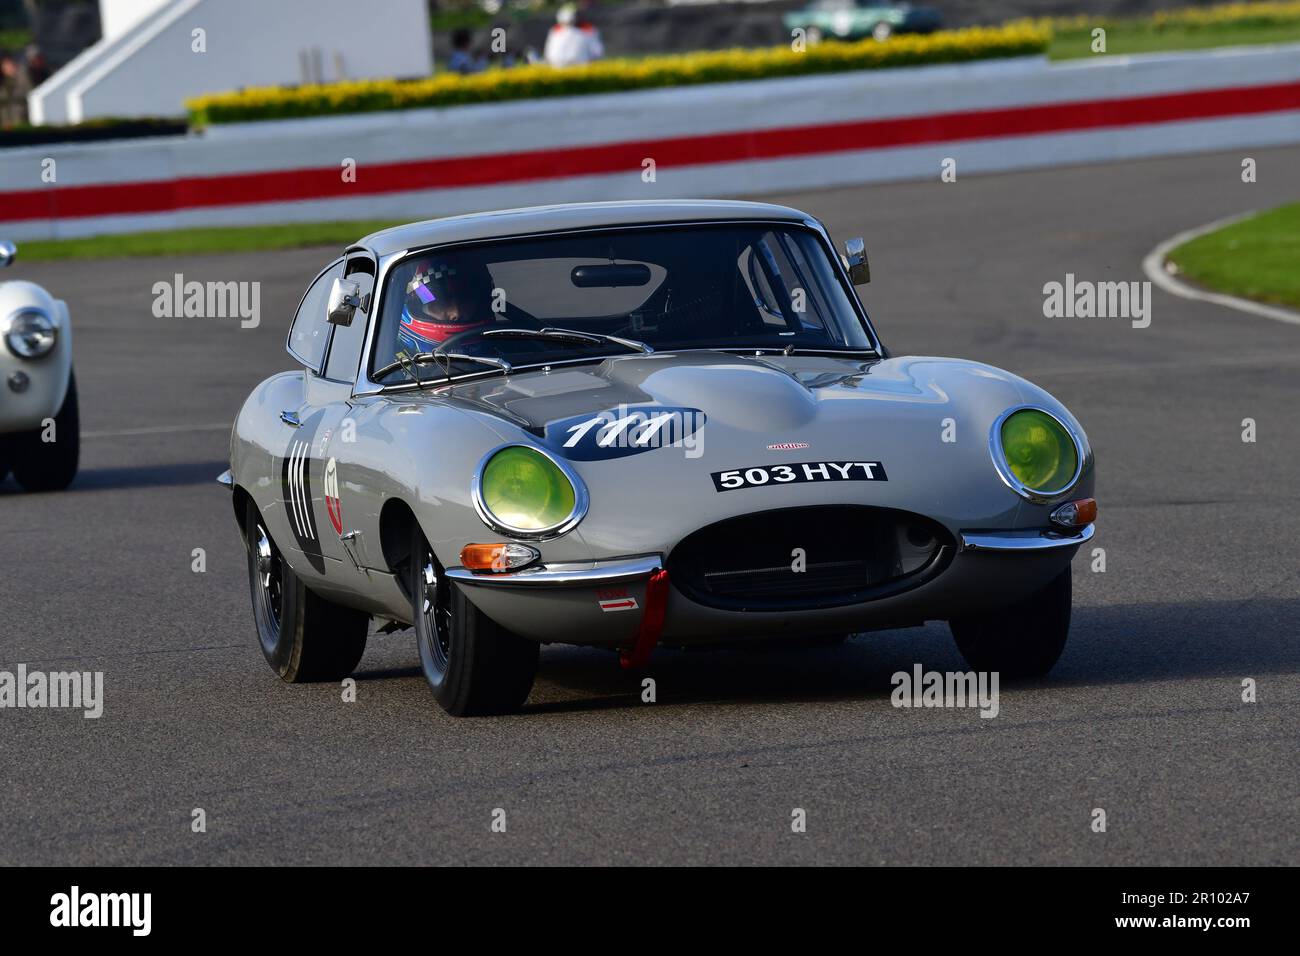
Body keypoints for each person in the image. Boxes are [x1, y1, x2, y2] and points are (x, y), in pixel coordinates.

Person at [397, 258, 496, 355]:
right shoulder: (389, 363)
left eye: (465, 298)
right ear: (417, 308)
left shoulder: (504, 348)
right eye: (441, 302)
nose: (456, 313)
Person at [543, 4, 604, 68]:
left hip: (557, 70)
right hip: (581, 69)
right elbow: (598, 53)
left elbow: (548, 56)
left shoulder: (554, 32)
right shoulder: (589, 32)